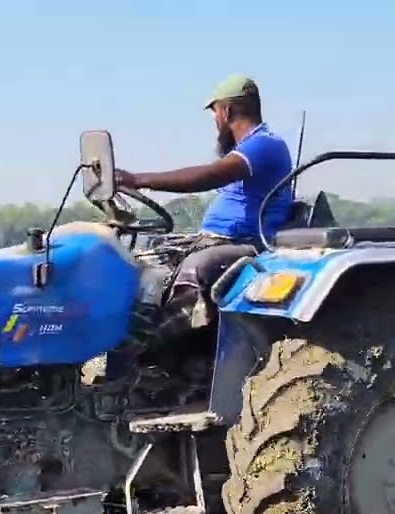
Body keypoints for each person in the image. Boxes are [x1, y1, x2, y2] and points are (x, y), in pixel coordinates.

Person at [113, 74, 294, 349]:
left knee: (197, 267)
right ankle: (119, 337)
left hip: (248, 244)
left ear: (226, 110)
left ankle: (150, 353)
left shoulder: (265, 144)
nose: (215, 121)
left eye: (214, 114)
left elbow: (210, 176)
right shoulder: (248, 148)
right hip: (214, 238)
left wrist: (137, 179)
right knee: (143, 257)